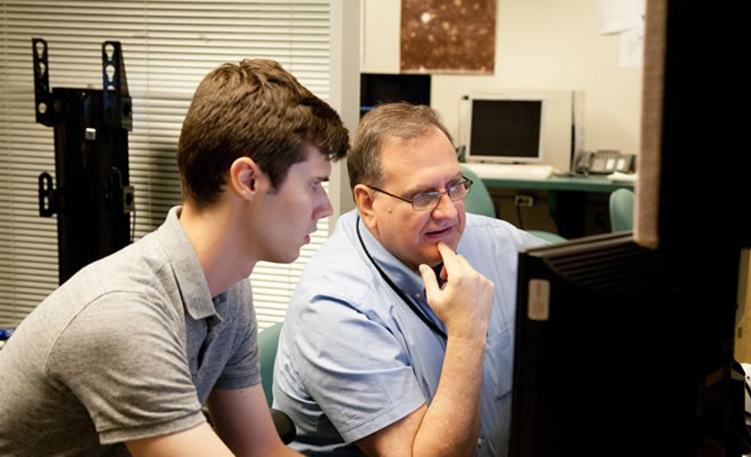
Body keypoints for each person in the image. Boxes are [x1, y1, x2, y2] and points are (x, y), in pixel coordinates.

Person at [0, 58, 348, 456]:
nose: (325, 208)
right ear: (248, 179)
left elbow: (260, 450)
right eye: (314, 184)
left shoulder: (229, 288)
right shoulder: (124, 314)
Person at [273, 102, 548, 456]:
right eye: (424, 196)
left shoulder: (496, 243)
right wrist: (467, 333)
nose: (448, 211)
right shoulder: (332, 304)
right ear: (368, 204)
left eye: (454, 186)